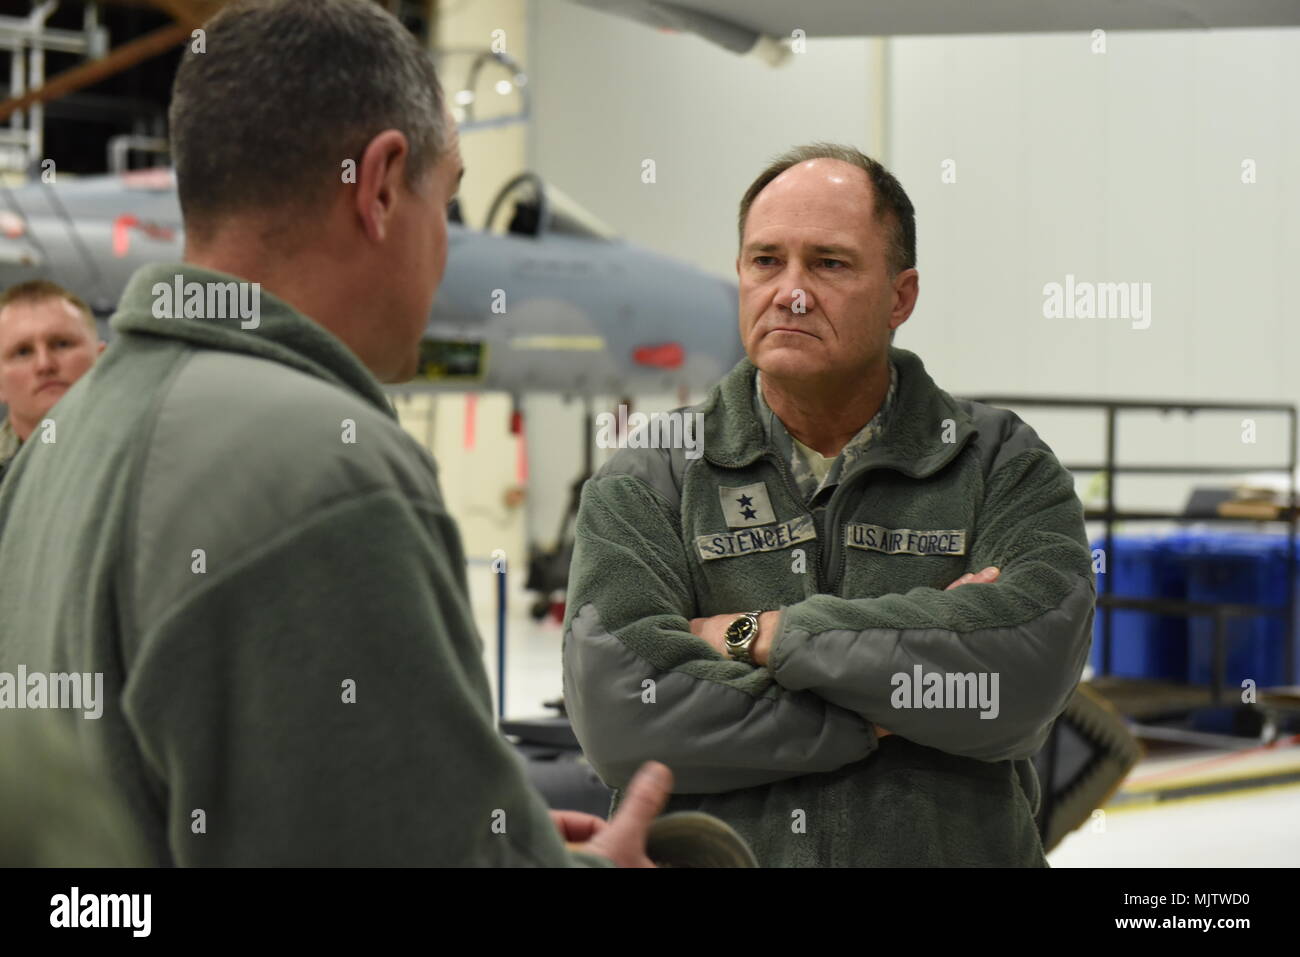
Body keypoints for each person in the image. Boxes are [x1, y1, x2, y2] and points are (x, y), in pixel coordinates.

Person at [0, 0, 672, 867]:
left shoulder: (60, 451)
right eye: (448, 197)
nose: (444, 248)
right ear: (382, 184)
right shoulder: (325, 471)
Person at [563, 143, 1095, 867]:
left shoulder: (998, 461)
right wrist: (881, 711)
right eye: (765, 261)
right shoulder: (652, 474)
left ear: (900, 297)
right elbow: (621, 712)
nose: (791, 291)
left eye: (829, 263)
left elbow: (1022, 675)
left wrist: (761, 635)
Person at [0, 280, 105, 483]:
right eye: (23, 352)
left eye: (62, 344)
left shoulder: (146, 456)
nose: (45, 364)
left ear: (102, 361)